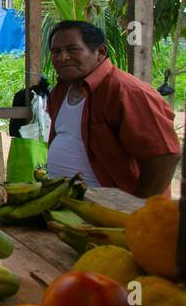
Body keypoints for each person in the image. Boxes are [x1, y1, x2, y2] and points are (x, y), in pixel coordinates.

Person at [45, 20, 179, 197]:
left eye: (72, 49)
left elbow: (164, 156)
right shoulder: (61, 91)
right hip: (66, 203)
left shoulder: (127, 91)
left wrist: (136, 208)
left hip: (111, 212)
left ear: (100, 52)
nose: (62, 57)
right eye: (56, 52)